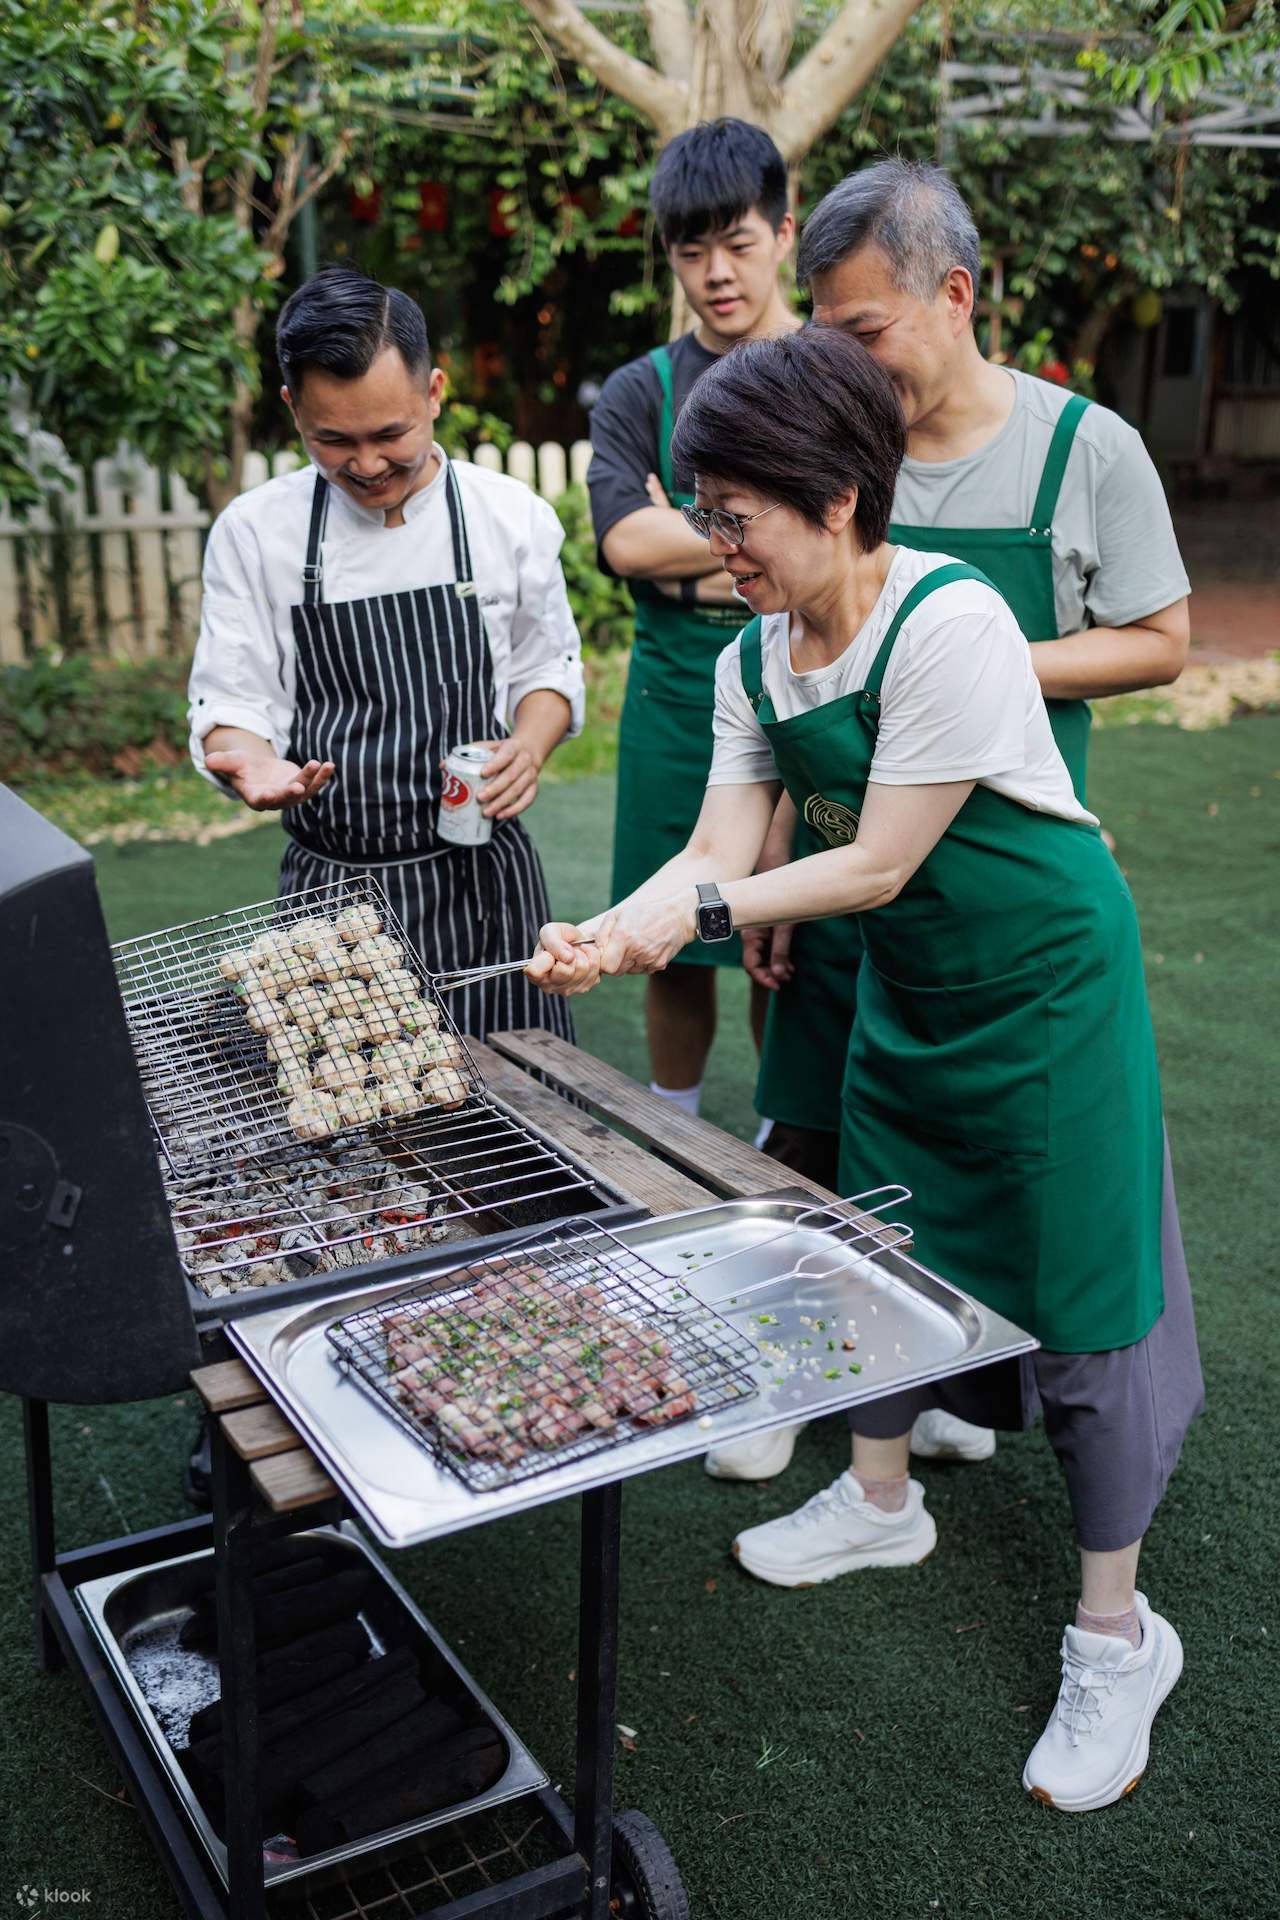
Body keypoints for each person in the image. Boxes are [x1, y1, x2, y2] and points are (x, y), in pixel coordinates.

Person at [527, 327, 1201, 1811]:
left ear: (838, 497)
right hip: (914, 995)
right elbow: (718, 847)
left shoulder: (948, 621)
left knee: (1082, 1313)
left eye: (737, 514)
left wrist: (688, 918)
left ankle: (1115, 1635)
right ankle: (881, 1497)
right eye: (705, 510)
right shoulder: (756, 653)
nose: (716, 546)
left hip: (1044, 995)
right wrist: (622, 925)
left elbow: (881, 863)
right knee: (876, 1254)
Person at [717, 157, 1195, 1477]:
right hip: (833, 862)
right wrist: (767, 840)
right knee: (822, 1129)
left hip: (984, 875)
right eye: (824, 335)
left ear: (957, 295)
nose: (845, 365)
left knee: (1008, 1165)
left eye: (863, 331)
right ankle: (819, 1386)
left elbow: (1160, 641)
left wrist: (959, 663)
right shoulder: (832, 458)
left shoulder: (1085, 447)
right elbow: (786, 673)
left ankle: (972, 1391)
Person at [188, 267, 583, 1045]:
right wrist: (250, 761)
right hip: (337, 893)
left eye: (389, 435)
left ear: (435, 393)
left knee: (519, 1132)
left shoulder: (510, 516)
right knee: (353, 1130)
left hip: (487, 887)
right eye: (332, 439)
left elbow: (549, 668)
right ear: (291, 410)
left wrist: (529, 747)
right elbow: (230, 701)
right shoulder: (254, 532)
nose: (366, 464)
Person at [587, 118, 800, 1121]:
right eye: (689, 250)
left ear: (783, 233)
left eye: (737, 244)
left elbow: (849, 546)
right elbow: (624, 544)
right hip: (674, 692)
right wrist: (770, 534)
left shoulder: (828, 371)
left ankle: (775, 1132)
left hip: (808, 678)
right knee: (672, 928)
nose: (714, 272)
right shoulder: (641, 387)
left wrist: (686, 532)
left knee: (782, 933)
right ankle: (668, 1117)